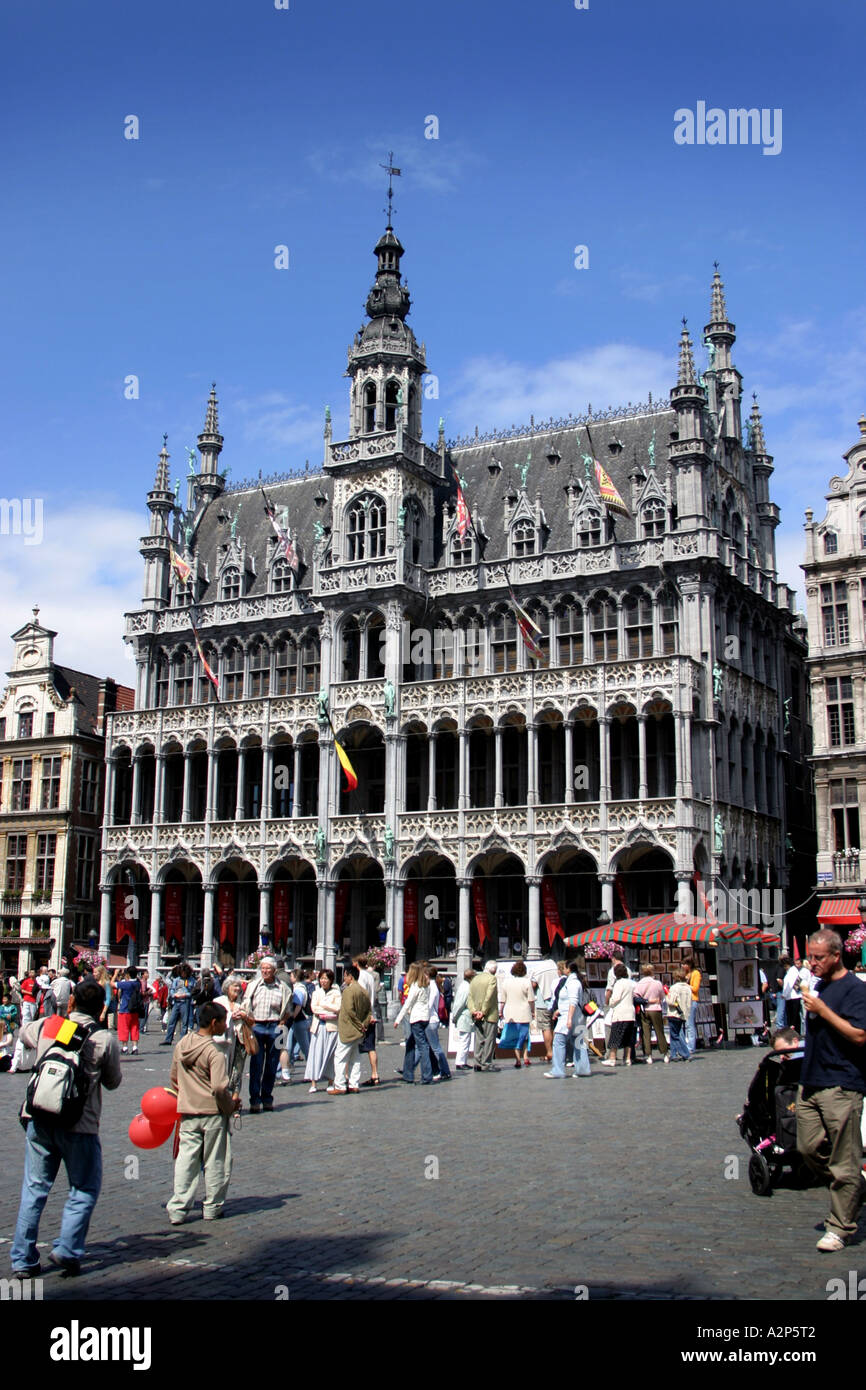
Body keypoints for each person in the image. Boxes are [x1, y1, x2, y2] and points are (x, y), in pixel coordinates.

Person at [10, 977, 122, 1277]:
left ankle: (22, 1258)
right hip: (80, 1124)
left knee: (34, 1189)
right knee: (84, 1188)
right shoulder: (104, 1038)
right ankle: (67, 1249)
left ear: (72, 1001)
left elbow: (24, 1035)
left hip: (40, 1117)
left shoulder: (51, 1025)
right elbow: (112, 1082)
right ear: (101, 1008)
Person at [795, 928, 866, 1251]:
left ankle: (840, 1226)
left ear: (837, 955)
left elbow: (859, 1035)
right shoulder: (818, 986)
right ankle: (851, 1186)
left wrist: (822, 1010)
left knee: (845, 1157)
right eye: (810, 956)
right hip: (811, 1080)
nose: (812, 963)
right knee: (807, 1148)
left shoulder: (855, 990)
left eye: (818, 957)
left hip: (842, 1082)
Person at [167, 1001, 241, 1225]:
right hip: (212, 1113)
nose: (224, 1026)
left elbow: (173, 1077)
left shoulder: (182, 1045)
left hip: (188, 1111)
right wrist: (230, 1106)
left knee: (186, 1161)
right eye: (222, 1022)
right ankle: (212, 1206)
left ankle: (178, 1209)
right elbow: (219, 1087)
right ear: (214, 1023)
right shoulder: (214, 1052)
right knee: (216, 1161)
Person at [244, 959, 293, 1113]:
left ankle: (267, 1098)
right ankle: (254, 1100)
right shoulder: (254, 985)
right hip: (257, 1026)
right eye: (262, 968)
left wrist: (282, 1022)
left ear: (274, 970)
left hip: (276, 1027)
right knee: (256, 1064)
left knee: (272, 1064)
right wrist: (250, 1023)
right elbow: (247, 1004)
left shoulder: (283, 988)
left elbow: (288, 1009)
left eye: (268, 968)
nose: (264, 971)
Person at [329, 962, 373, 1095]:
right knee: (355, 1058)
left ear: (350, 976)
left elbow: (349, 1011)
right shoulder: (363, 991)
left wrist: (359, 1024)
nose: (344, 978)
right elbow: (369, 1011)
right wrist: (364, 1025)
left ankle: (340, 1085)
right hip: (359, 1032)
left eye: (345, 976)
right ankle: (354, 1084)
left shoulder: (349, 990)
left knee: (340, 1058)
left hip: (348, 1029)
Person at [394, 962, 433, 1085]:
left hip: (416, 1019)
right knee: (411, 1044)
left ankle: (427, 1076)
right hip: (425, 1017)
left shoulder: (416, 986)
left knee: (422, 1047)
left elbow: (408, 1003)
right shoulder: (427, 985)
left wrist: (398, 1019)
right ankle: (408, 1073)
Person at [305, 969, 342, 1093]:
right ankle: (314, 1083)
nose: (323, 981)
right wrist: (327, 1009)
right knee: (315, 1054)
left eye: (326, 978)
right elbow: (314, 1008)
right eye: (321, 978)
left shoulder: (336, 993)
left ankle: (330, 1081)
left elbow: (338, 1008)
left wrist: (324, 1005)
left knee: (330, 1055)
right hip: (318, 1027)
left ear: (331, 980)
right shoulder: (316, 993)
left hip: (331, 1027)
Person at [499, 960, 535, 1069]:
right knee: (524, 1036)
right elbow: (531, 999)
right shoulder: (527, 982)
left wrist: (501, 1011)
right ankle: (526, 1057)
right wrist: (533, 1011)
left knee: (515, 1037)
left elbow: (502, 1000)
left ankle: (518, 1059)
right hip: (524, 1012)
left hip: (511, 1013)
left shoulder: (506, 982)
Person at [602, 962, 636, 1067]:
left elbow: (616, 998)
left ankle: (612, 1059)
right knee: (628, 1038)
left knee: (615, 1036)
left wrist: (610, 1002)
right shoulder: (631, 983)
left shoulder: (619, 983)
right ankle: (627, 1059)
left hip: (620, 1013)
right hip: (630, 1013)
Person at [633, 965, 669, 1064]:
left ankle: (648, 1055)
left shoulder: (639, 983)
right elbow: (662, 996)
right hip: (656, 1009)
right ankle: (665, 1053)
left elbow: (636, 996)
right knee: (659, 1031)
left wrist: (645, 1001)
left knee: (646, 1033)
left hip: (645, 1010)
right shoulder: (657, 983)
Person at [468, 960, 500, 1072]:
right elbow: (489, 996)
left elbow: (470, 997)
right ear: (494, 970)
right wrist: (483, 1011)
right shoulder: (492, 979)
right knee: (489, 1039)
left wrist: (474, 1011)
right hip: (489, 1015)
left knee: (479, 1039)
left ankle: (477, 1063)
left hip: (477, 1015)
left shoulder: (475, 978)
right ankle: (486, 1063)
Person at [354, 955, 381, 1087]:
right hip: (372, 1013)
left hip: (364, 1015)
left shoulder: (361, 977)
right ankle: (375, 1074)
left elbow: (361, 995)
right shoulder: (371, 975)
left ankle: (350, 1077)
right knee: (371, 1047)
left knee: (353, 1046)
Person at [425, 967, 452, 1081]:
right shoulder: (433, 986)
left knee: (435, 1048)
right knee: (428, 1047)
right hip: (431, 1019)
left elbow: (429, 1005)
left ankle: (445, 1071)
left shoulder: (432, 987)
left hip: (430, 1020)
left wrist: (421, 1013)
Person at [161, 963, 195, 1045]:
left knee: (184, 1022)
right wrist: (174, 995)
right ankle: (168, 1039)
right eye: (182, 972)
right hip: (176, 1002)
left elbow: (193, 991)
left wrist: (186, 994)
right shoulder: (176, 980)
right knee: (171, 1021)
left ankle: (182, 1040)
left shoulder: (191, 980)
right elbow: (172, 989)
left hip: (185, 1002)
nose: (183, 974)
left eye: (185, 972)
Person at [666, 968, 693, 1062]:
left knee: (675, 1034)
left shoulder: (674, 987)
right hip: (683, 1014)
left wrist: (666, 996)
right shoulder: (688, 988)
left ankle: (686, 1054)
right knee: (674, 1034)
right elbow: (689, 1003)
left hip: (674, 1013)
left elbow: (670, 1001)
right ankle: (673, 1054)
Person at [115, 967, 143, 1055]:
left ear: (128, 974)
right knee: (134, 1028)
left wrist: (116, 974)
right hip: (135, 1009)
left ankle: (125, 1047)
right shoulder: (138, 983)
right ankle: (135, 1047)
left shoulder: (126, 984)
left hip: (125, 1009)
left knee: (124, 1028)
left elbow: (111, 984)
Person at [452, 969, 475, 1070]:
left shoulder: (465, 986)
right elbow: (459, 1004)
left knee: (466, 1040)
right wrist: (455, 1017)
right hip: (463, 1017)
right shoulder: (466, 988)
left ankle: (463, 1061)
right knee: (464, 1041)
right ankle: (460, 1062)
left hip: (464, 1017)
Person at [683, 955, 702, 1054]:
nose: (683, 966)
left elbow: (695, 988)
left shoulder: (696, 973)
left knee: (690, 1025)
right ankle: (687, 1044)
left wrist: (685, 985)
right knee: (686, 1024)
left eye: (685, 964)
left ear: (690, 964)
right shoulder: (686, 974)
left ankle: (691, 1047)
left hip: (692, 1000)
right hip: (684, 1001)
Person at [779, 955, 801, 1034]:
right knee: (792, 1017)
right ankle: (794, 1032)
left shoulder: (792, 971)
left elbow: (789, 984)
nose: (784, 968)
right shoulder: (790, 971)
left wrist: (784, 994)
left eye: (785, 966)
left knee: (793, 1018)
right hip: (790, 996)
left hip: (793, 996)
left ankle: (795, 1033)